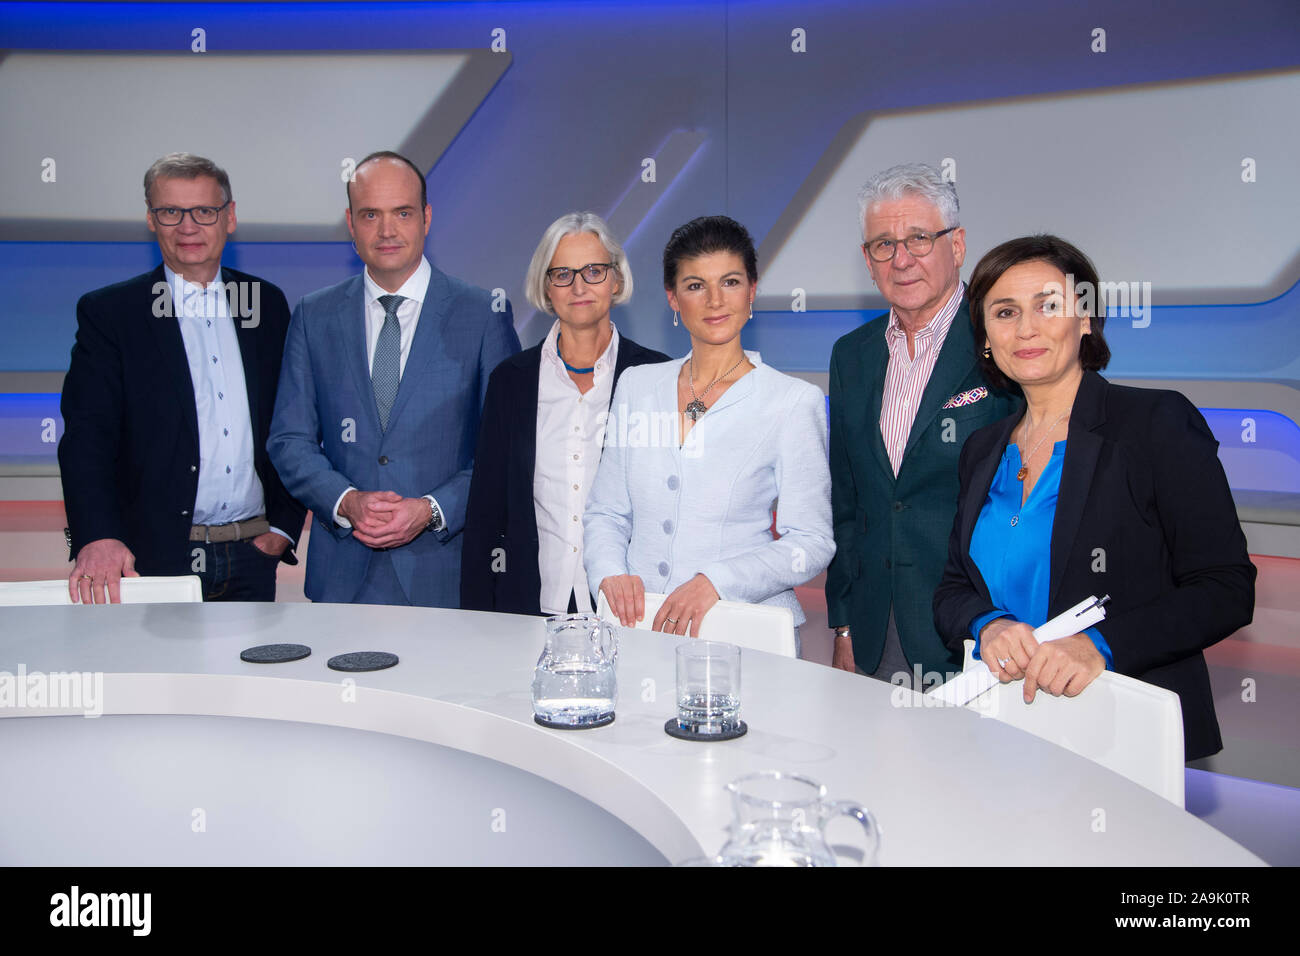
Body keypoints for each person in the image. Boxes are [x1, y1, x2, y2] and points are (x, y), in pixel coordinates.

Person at [932, 235, 1255, 760]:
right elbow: (951, 588)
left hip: (1120, 732)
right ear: (985, 337)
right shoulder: (982, 448)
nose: (1027, 328)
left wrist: (1100, 645)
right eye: (1005, 311)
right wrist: (987, 624)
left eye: (1049, 305)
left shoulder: (1155, 424)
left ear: (1085, 319)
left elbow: (1225, 588)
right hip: (999, 726)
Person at [268, 151, 520, 607]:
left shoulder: (483, 314)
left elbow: (506, 450)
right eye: (370, 215)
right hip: (342, 580)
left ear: (425, 217)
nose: (386, 231)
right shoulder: (313, 314)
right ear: (350, 222)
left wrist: (431, 509)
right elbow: (289, 439)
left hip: (449, 577)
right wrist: (345, 501)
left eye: (402, 213)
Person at [59, 152, 305, 604]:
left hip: (252, 555)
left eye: (204, 211)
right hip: (149, 560)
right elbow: (87, 436)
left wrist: (284, 528)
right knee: (155, 678)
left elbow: (294, 419)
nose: (187, 226)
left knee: (251, 676)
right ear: (151, 220)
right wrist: (96, 536)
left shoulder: (266, 305)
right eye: (170, 211)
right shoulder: (112, 313)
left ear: (229, 218)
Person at [584, 215, 833, 645]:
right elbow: (606, 512)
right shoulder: (637, 386)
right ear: (673, 299)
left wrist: (716, 581)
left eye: (731, 282)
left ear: (752, 290)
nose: (715, 300)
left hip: (744, 631)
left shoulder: (792, 401)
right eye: (696, 285)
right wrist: (610, 573)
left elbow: (810, 542)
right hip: (639, 626)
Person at [825, 163, 1018, 685]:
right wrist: (842, 625)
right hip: (875, 631)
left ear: (956, 245)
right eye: (883, 245)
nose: (902, 258)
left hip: (982, 632)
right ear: (867, 261)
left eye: (919, 238)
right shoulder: (851, 355)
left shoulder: (1003, 340)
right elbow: (848, 503)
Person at [461, 213, 668, 616]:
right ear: (545, 287)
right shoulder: (510, 381)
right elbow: (486, 510)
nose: (578, 286)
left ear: (616, 280)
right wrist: (476, 620)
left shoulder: (656, 378)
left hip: (631, 610)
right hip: (527, 606)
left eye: (593, 271)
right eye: (562, 274)